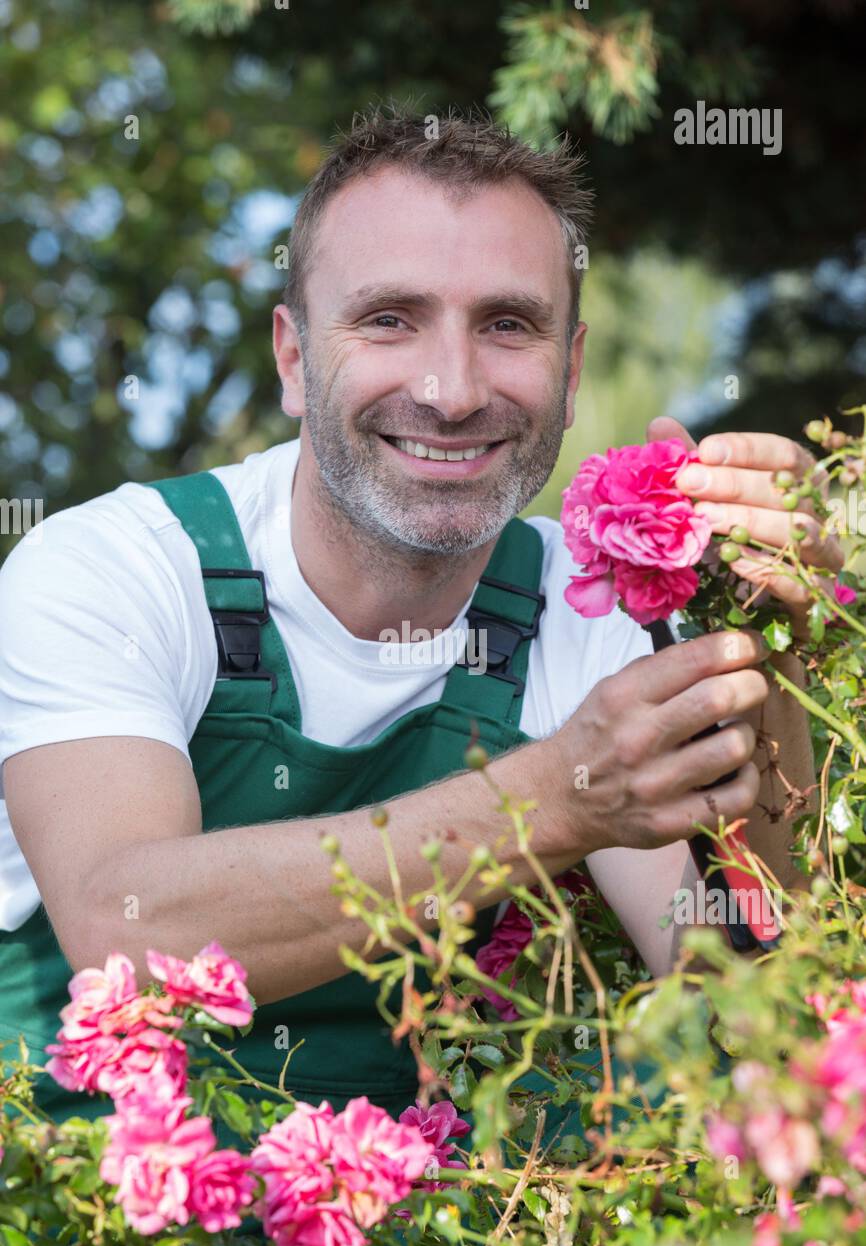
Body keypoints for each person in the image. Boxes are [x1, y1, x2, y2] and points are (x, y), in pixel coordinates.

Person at [0, 108, 840, 1127]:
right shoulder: (115, 568)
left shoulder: (590, 602)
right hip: (81, 1219)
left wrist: (774, 650)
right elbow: (123, 927)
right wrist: (554, 798)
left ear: (570, 373)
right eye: (389, 319)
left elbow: (746, 997)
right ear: (294, 358)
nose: (450, 391)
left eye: (507, 324)